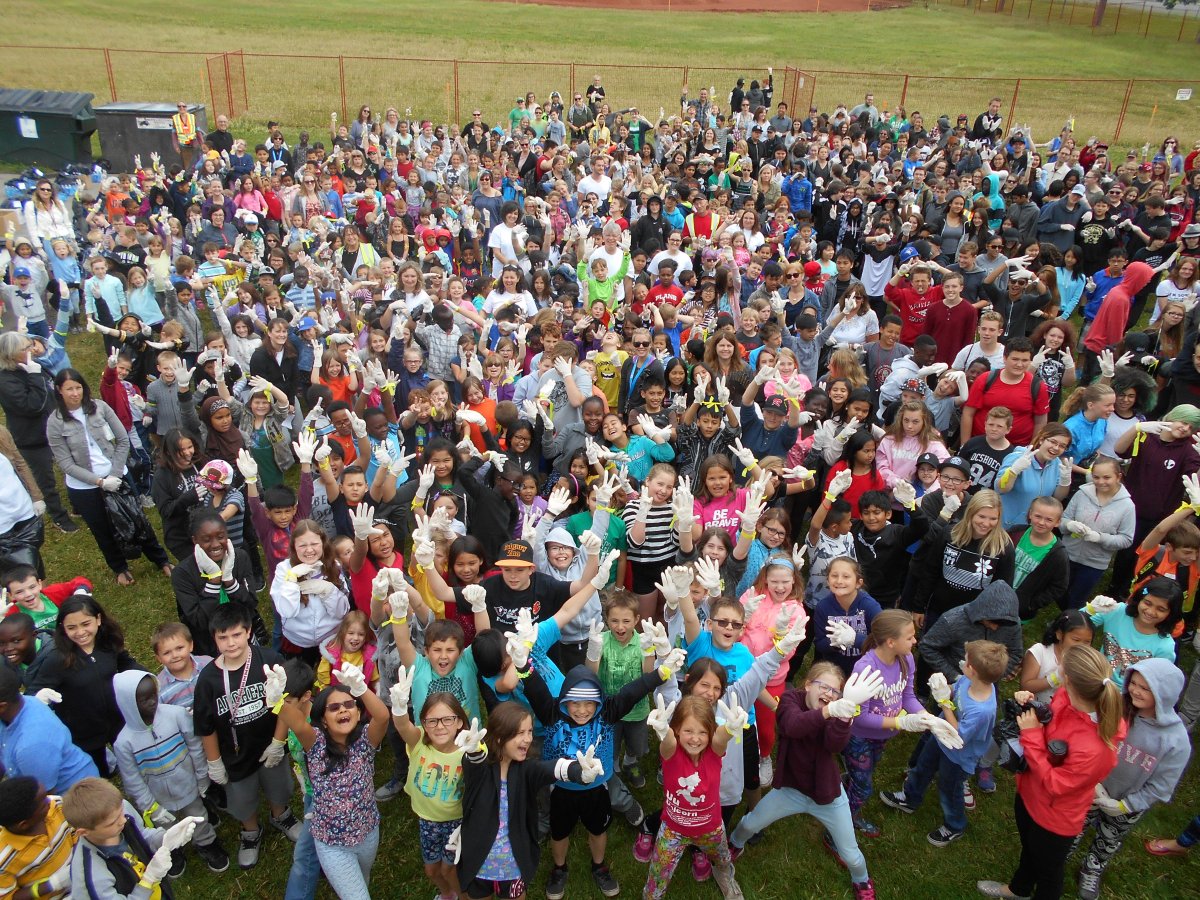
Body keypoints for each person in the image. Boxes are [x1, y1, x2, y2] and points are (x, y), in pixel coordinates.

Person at [976, 646, 1125, 900]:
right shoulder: (1066, 695)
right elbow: (1053, 720)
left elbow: (1057, 785)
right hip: (1031, 794)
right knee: (1031, 851)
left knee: (1049, 872)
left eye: (1061, 669)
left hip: (1054, 817)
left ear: (1068, 678)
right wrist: (1034, 708)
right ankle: (1019, 890)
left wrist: (1032, 735)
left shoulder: (1097, 748)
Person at [728, 663, 884, 900]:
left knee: (851, 854)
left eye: (835, 692)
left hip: (827, 795)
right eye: (825, 687)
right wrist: (829, 712)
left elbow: (834, 745)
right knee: (750, 824)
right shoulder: (790, 699)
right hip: (791, 789)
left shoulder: (836, 712)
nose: (830, 695)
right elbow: (792, 725)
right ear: (808, 685)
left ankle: (861, 881)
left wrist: (842, 717)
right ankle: (734, 843)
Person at [193, 604, 302, 870]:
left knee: (279, 785)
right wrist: (214, 762)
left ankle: (281, 814)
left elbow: (285, 706)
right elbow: (206, 726)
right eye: (223, 637)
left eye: (236, 635)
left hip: (270, 745)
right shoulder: (208, 680)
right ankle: (250, 830)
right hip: (235, 755)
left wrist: (279, 742)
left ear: (249, 631)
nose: (231, 643)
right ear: (214, 638)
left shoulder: (268, 660)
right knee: (241, 798)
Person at [1070, 659, 1190, 900]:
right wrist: (1090, 778)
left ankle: (1093, 867)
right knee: (1075, 826)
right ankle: (1060, 854)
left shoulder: (1176, 742)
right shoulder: (1116, 708)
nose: (1135, 690)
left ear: (1164, 694)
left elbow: (1161, 786)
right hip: (1092, 788)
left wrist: (1126, 806)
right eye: (1133, 683)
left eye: (1145, 688)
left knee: (1109, 838)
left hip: (1127, 803)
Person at [270, 659, 389, 900]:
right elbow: (295, 721)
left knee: (362, 882)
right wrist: (277, 702)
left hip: (368, 834)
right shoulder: (315, 743)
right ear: (323, 719)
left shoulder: (365, 742)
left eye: (349, 705)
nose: (343, 710)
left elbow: (383, 717)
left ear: (357, 713)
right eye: (334, 708)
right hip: (332, 843)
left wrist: (362, 689)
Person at [455, 701, 600, 900]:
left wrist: (579, 772)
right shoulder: (481, 769)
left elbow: (553, 768)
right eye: (519, 733)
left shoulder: (527, 769)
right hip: (478, 865)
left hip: (513, 867)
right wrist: (472, 751)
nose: (528, 739)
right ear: (499, 736)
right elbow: (473, 763)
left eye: (530, 731)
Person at [46, 367, 171, 586]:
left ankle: (161, 560)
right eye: (69, 389)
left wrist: (114, 474)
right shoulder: (55, 422)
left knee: (137, 519)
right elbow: (65, 463)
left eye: (78, 388)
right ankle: (119, 567)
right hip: (85, 487)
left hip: (116, 476)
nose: (75, 393)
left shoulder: (100, 408)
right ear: (59, 391)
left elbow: (123, 441)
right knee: (102, 529)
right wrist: (99, 482)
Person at [880, 639, 1005, 846]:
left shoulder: (981, 711)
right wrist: (945, 688)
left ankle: (955, 825)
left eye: (966, 661)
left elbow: (958, 735)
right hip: (940, 738)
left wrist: (944, 703)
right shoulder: (969, 681)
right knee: (923, 766)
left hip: (959, 755)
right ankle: (909, 798)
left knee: (949, 788)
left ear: (973, 670)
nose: (962, 662)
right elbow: (956, 689)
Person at [112, 670, 231, 874]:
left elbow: (195, 746)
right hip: (157, 799)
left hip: (188, 786)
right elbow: (133, 780)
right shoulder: (124, 742)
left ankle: (207, 843)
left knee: (198, 818)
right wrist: (151, 807)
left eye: (153, 695)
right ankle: (172, 851)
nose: (152, 702)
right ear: (127, 704)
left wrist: (202, 777)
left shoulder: (175, 715)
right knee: (165, 828)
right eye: (144, 700)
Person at [642, 695, 747, 900]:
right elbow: (668, 742)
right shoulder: (671, 751)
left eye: (702, 732)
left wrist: (730, 727)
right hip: (672, 831)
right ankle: (651, 896)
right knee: (657, 875)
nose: (695, 738)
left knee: (723, 859)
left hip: (712, 828)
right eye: (688, 731)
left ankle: (724, 874)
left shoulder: (715, 750)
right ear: (677, 729)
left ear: (710, 732)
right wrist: (664, 732)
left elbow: (720, 737)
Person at [25, 594, 144, 777]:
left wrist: (146, 677)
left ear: (98, 619)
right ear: (62, 628)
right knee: (99, 774)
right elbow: (33, 693)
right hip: (83, 732)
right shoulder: (57, 658)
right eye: (71, 627)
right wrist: (40, 697)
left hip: (118, 720)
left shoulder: (108, 642)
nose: (80, 632)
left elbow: (125, 662)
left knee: (135, 763)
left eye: (85, 624)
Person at [62, 777, 202, 900]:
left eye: (121, 812)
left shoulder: (119, 811)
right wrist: (149, 880)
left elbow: (141, 834)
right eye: (112, 823)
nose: (123, 820)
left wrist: (165, 838)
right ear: (83, 832)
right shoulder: (90, 875)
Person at [0, 333, 75, 534]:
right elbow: (32, 406)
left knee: (71, 465)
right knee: (46, 480)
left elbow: (50, 391)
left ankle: (77, 503)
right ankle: (59, 516)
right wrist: (34, 375)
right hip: (32, 438)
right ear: (11, 354)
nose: (31, 350)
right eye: (25, 348)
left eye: (30, 345)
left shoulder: (30, 365)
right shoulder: (5, 380)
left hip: (55, 428)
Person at [0, 663, 97, 793]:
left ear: (2, 706)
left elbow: (44, 798)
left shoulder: (30, 745)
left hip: (73, 798)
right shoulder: (19, 704)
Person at [1060, 456, 1136, 610]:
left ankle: (1068, 626)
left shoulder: (1127, 506)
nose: (1101, 482)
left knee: (1076, 599)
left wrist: (1099, 538)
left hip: (1094, 562)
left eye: (1107, 477)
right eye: (1096, 477)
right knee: (1060, 593)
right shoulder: (1082, 494)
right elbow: (1062, 520)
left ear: (1118, 476)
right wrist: (1069, 525)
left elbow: (1127, 539)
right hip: (1067, 554)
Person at [0, 776, 76, 898]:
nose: (50, 801)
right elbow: (8, 896)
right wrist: (54, 883)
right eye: (43, 805)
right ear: (24, 824)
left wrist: (80, 862)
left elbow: (74, 834)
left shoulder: (56, 805)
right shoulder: (3, 859)